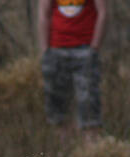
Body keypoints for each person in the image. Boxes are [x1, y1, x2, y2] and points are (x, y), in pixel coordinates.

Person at [37, 0, 107, 144]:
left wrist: (94, 47)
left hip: (84, 49)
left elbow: (103, 12)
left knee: (89, 106)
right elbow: (44, 13)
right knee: (58, 111)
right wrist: (45, 51)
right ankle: (62, 151)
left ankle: (91, 153)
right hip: (56, 49)